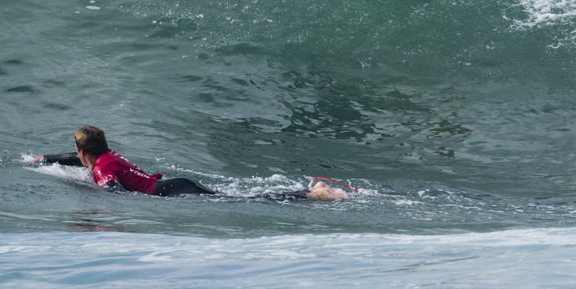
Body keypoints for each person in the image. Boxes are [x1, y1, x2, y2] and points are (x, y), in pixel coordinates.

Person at [32, 125, 348, 201]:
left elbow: (113, 190)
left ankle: (312, 195)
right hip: (175, 183)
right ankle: (307, 193)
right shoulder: (106, 155)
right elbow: (78, 159)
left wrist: (97, 197)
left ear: (82, 150)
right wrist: (44, 159)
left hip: (172, 191)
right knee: (237, 197)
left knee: (245, 201)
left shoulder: (101, 168)